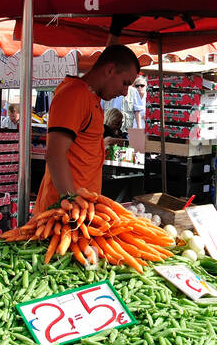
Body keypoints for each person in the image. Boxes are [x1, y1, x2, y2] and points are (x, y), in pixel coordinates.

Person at [34, 44, 140, 216]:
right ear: (110, 70)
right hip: (62, 216)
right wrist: (72, 205)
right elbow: (55, 155)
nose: (125, 92)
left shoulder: (91, 96)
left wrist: (115, 31)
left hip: (81, 211)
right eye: (125, 83)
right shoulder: (74, 94)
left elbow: (109, 56)